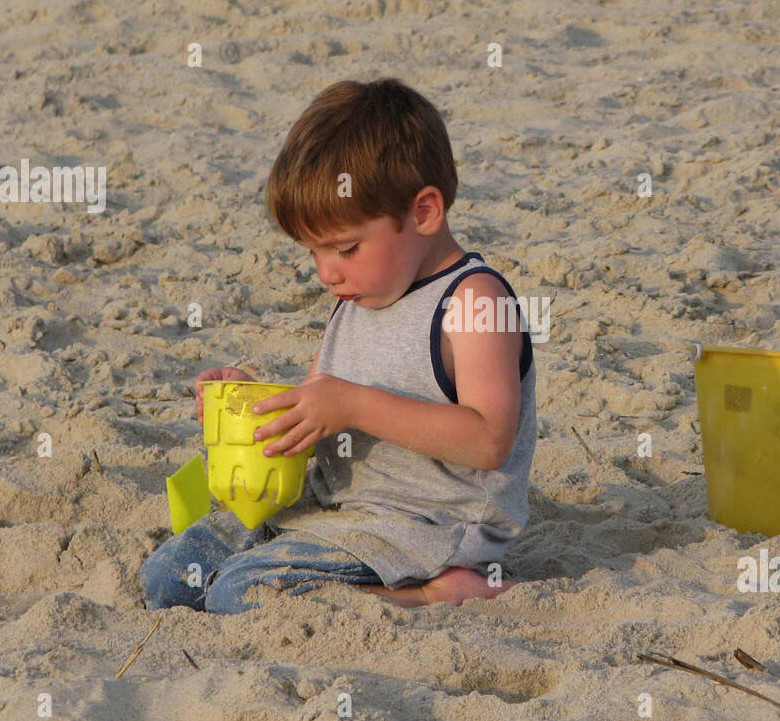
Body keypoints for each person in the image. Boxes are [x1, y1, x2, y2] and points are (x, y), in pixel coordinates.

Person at [141, 78, 537, 612]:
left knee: (242, 594)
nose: (327, 272)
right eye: (314, 253)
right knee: (169, 577)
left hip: (428, 524)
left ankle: (435, 593)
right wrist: (248, 403)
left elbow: (490, 440)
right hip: (337, 509)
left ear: (423, 213)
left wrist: (353, 404)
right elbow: (322, 409)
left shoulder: (473, 300)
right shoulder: (359, 291)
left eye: (345, 248)